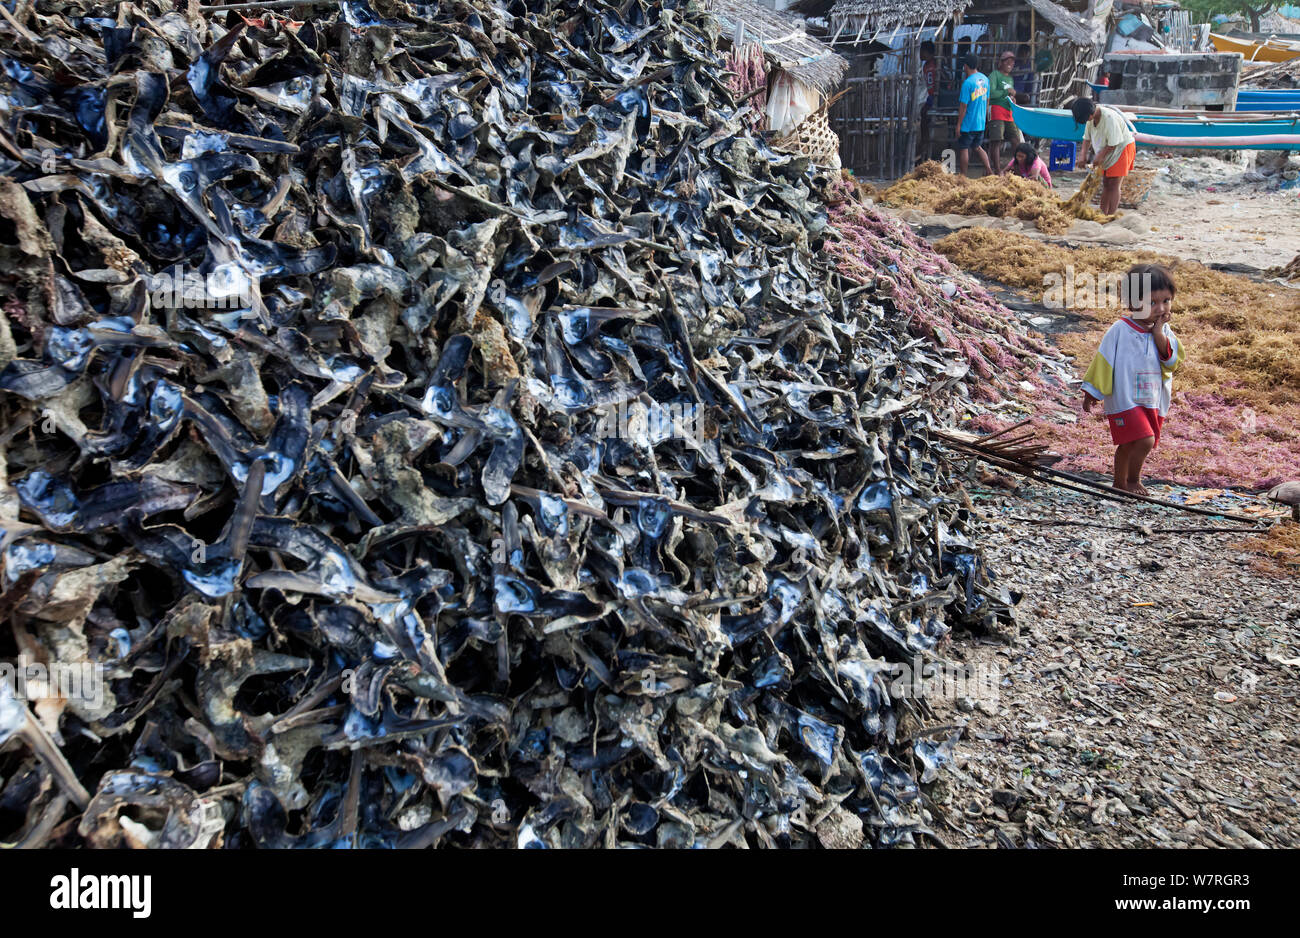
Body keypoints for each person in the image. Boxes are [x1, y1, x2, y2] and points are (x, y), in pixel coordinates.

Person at [1081, 264, 1185, 495]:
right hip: (1124, 398)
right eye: (1152, 302)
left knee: (1129, 443)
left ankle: (1118, 483)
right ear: (1133, 302)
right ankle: (1132, 480)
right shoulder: (1120, 330)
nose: (1161, 308)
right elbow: (1103, 361)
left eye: (1166, 301)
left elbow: (1171, 362)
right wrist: (1092, 392)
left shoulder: (1165, 332)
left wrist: (1158, 333)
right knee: (1145, 440)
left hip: (1151, 398)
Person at [1071, 96, 1136, 215]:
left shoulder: (1109, 118)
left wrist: (1100, 156)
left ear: (1091, 113)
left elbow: (1114, 143)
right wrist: (1083, 155)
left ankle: (1110, 215)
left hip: (1121, 148)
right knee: (1106, 183)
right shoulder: (1090, 119)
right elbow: (1086, 139)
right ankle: (1102, 213)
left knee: (1114, 183)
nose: (1087, 121)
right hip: (1108, 148)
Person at [956, 54, 993, 177]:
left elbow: (963, 106)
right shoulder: (985, 79)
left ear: (965, 66)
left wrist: (959, 125)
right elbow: (987, 100)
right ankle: (989, 169)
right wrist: (984, 117)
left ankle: (963, 176)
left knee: (964, 148)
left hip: (968, 124)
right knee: (977, 147)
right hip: (980, 123)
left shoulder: (968, 83)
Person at [986, 50, 1022, 169]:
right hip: (996, 110)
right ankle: (998, 170)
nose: (1010, 64)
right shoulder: (994, 75)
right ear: (1001, 62)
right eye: (1008, 61)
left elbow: (1008, 95)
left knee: (1015, 140)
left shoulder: (1010, 79)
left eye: (1012, 62)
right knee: (997, 141)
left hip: (1008, 112)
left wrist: (1012, 99)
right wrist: (1006, 92)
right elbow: (991, 93)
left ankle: (1017, 168)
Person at [919, 40, 937, 161]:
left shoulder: (934, 64)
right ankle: (925, 141)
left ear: (926, 52)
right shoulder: (927, 65)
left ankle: (925, 142)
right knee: (923, 113)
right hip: (931, 96)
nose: (920, 54)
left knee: (924, 113)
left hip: (935, 96)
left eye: (921, 51)